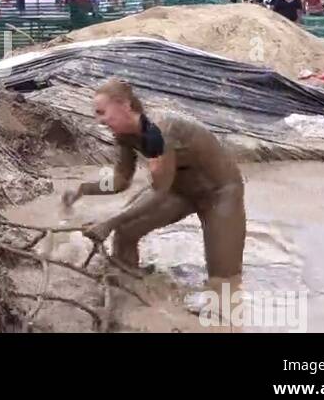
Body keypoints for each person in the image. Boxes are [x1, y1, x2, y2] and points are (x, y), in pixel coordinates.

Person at [61, 80, 246, 280]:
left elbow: (159, 190)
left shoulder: (159, 131)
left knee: (224, 277)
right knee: (126, 231)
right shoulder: (124, 135)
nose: (99, 121)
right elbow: (121, 179)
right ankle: (129, 289)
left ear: (125, 105)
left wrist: (108, 222)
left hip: (219, 193)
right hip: (179, 191)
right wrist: (84, 189)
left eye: (102, 112)